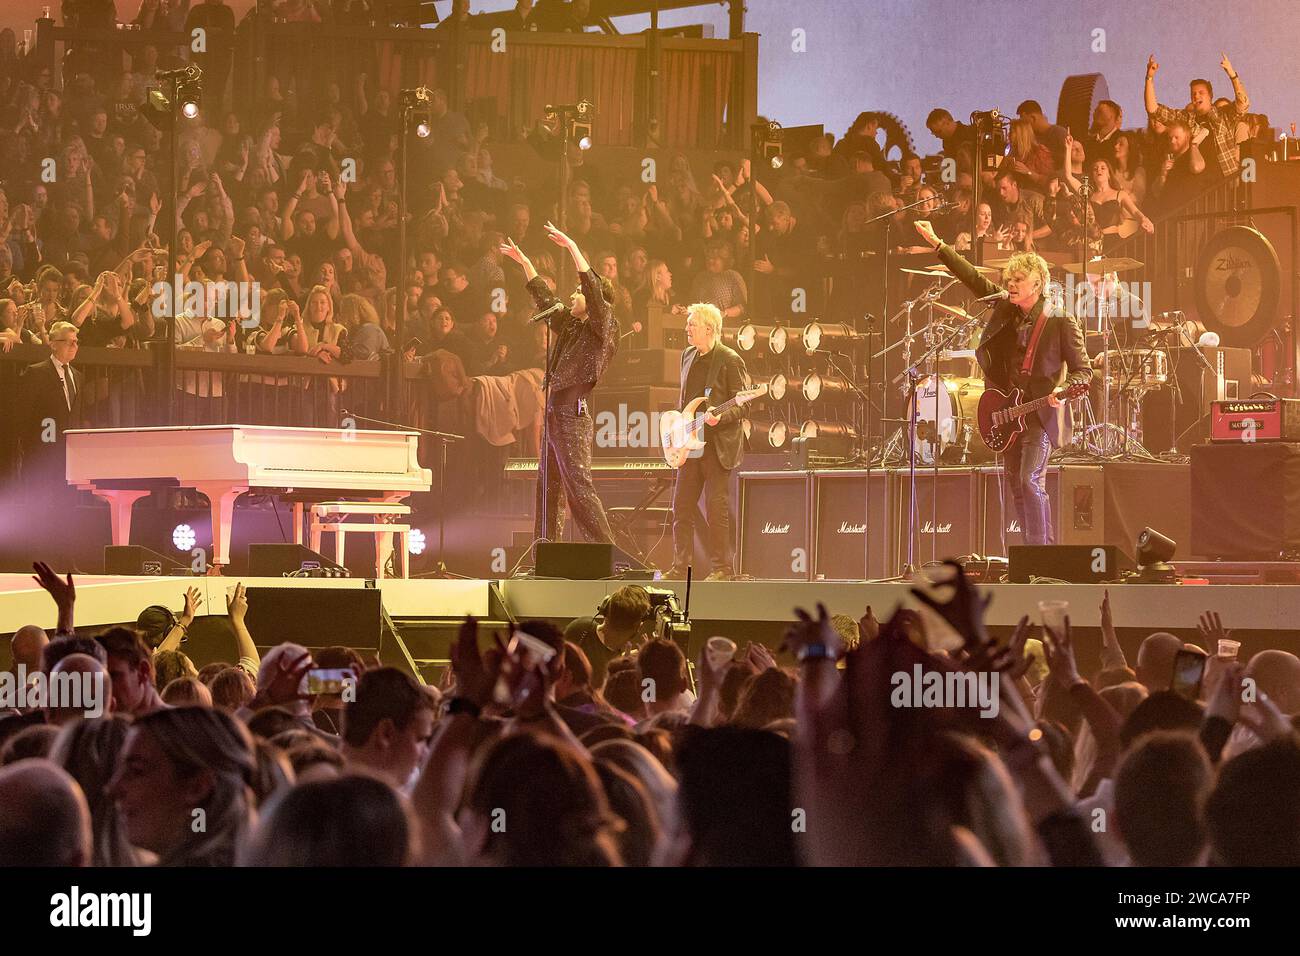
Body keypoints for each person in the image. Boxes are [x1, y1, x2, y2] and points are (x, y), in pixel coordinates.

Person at [913, 220, 1091, 545]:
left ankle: (1043, 554)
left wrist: (1061, 394)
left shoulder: (1060, 320)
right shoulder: (1006, 309)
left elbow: (1084, 372)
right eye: (1009, 279)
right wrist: (939, 244)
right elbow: (971, 278)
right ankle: (1027, 557)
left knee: (1029, 480)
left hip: (1039, 416)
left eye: (1018, 280)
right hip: (1009, 413)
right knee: (1015, 484)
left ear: (1037, 283)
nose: (1010, 284)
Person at [500, 225, 619, 553]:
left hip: (572, 413)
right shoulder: (571, 325)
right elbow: (546, 298)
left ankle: (605, 552)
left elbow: (593, 291)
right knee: (547, 487)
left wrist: (573, 247)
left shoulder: (603, 327)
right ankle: (545, 551)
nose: (572, 296)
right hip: (554, 411)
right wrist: (525, 263)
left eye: (577, 292)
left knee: (577, 485)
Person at [665, 303, 750, 581]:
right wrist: (678, 429)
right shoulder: (687, 355)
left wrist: (719, 419)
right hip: (690, 444)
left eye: (692, 324)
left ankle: (722, 569)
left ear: (709, 329)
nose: (686, 328)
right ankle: (680, 568)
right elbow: (685, 401)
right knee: (681, 507)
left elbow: (743, 406)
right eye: (688, 323)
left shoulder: (729, 359)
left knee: (716, 509)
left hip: (716, 446)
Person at [1145, 51, 1249, 179]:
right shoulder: (1186, 118)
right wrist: (1149, 78)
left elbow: (1243, 103)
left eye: (1201, 92)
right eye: (1193, 94)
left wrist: (1233, 76)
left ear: (1210, 96)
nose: (1196, 96)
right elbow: (1153, 109)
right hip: (1197, 186)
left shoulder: (1224, 115)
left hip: (1224, 185)